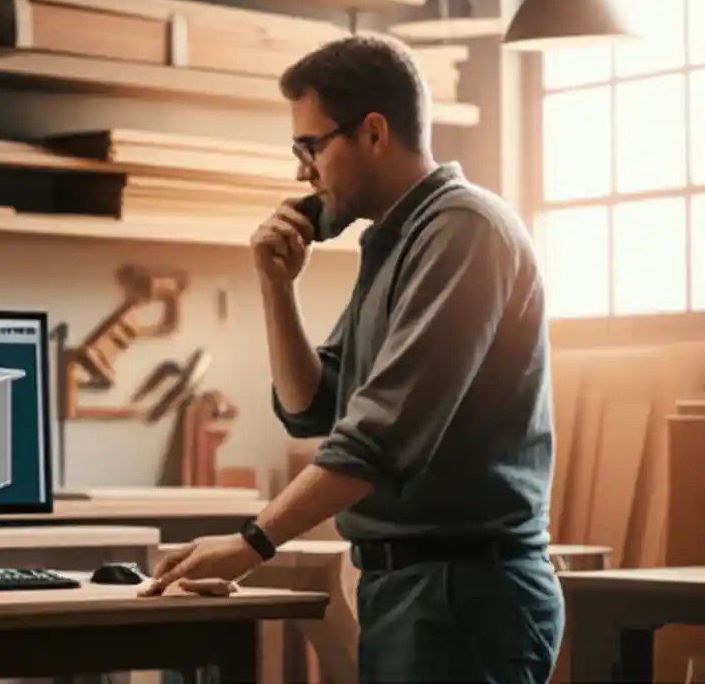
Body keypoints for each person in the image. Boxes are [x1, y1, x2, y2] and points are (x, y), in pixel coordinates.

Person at [140, 34, 565, 683]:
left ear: (373, 132)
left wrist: (250, 544)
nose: (300, 172)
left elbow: (379, 435)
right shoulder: (396, 243)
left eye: (309, 148)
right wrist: (277, 285)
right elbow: (312, 408)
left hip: (463, 596)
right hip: (412, 590)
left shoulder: (463, 231)